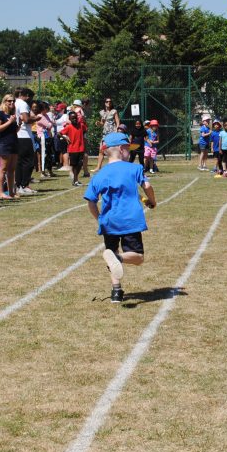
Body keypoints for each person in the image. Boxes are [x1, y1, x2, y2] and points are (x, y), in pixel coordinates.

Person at [85, 131, 156, 303]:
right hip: (130, 220)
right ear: (122, 149)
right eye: (129, 149)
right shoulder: (134, 168)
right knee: (138, 257)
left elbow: (91, 202)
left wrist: (99, 219)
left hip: (109, 221)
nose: (130, 152)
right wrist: (152, 200)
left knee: (111, 251)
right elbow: (147, 185)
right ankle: (119, 258)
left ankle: (116, 291)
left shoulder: (99, 174)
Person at [14, 88, 39, 195]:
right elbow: (26, 119)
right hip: (24, 135)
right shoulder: (23, 104)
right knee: (28, 162)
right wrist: (37, 118)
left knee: (19, 162)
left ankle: (19, 185)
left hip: (18, 135)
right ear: (27, 95)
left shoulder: (15, 102)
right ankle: (24, 185)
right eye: (31, 97)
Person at [0, 94, 19, 199]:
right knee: (3, 169)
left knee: (12, 169)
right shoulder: (0, 114)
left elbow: (14, 130)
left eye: (13, 101)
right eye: (9, 101)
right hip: (5, 143)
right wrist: (9, 122)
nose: (12, 103)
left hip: (14, 142)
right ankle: (1, 192)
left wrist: (18, 124)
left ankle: (11, 192)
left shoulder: (12, 114)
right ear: (5, 102)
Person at [60, 110, 87, 186]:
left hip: (81, 148)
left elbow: (85, 130)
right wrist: (65, 137)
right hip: (72, 149)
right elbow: (59, 134)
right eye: (72, 118)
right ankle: (75, 180)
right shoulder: (68, 127)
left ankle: (75, 179)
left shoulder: (81, 125)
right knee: (74, 165)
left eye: (75, 118)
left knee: (80, 164)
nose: (74, 119)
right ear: (70, 119)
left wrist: (82, 139)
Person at [96, 98, 119, 172]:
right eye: (107, 101)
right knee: (101, 150)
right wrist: (99, 123)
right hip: (105, 134)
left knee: (112, 151)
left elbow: (117, 122)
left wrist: (117, 131)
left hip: (112, 133)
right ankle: (98, 167)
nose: (108, 102)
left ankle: (114, 166)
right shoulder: (102, 112)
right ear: (104, 103)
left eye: (110, 101)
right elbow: (102, 123)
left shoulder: (114, 111)